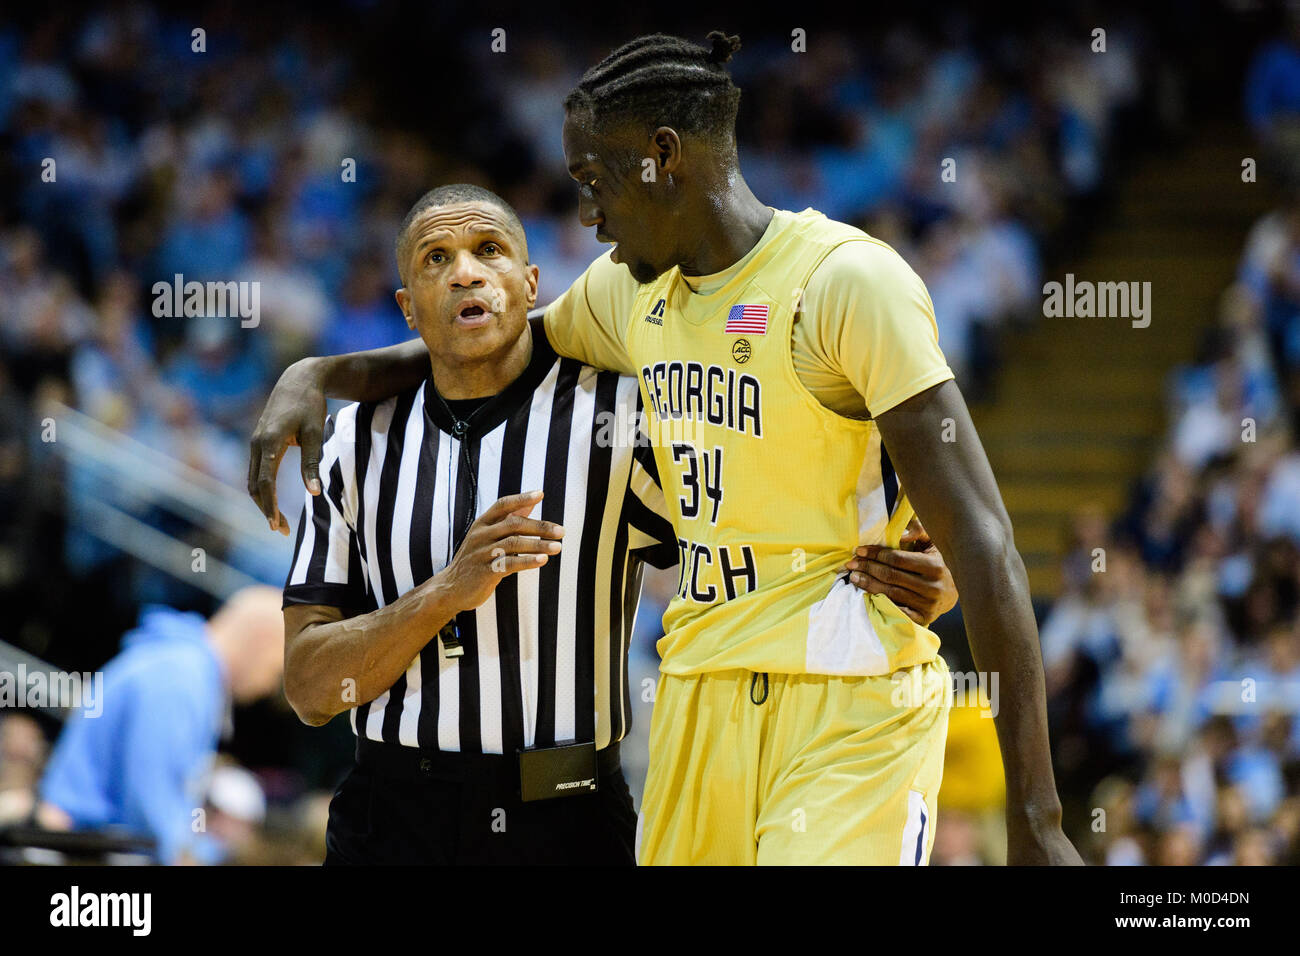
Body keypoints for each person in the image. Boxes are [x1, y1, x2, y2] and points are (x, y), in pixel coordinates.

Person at [249, 30, 1072, 865]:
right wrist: (322, 372)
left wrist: (1037, 821)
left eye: (592, 180)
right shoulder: (623, 294)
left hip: (844, 689)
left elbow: (986, 539)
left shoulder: (847, 283)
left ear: (663, 156)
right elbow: (495, 341)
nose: (587, 216)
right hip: (695, 695)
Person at [277, 183, 956, 865]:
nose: (466, 271)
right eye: (435, 258)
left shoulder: (621, 420)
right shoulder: (350, 445)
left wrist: (928, 570)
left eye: (489, 250)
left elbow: (767, 521)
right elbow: (309, 691)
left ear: (531, 282)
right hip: (393, 814)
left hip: (564, 814)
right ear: (408, 309)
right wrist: (445, 592)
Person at [35, 587, 284, 864]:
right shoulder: (181, 679)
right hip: (78, 850)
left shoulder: (182, 667)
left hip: (85, 845)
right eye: (276, 672)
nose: (269, 688)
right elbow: (149, 807)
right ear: (263, 640)